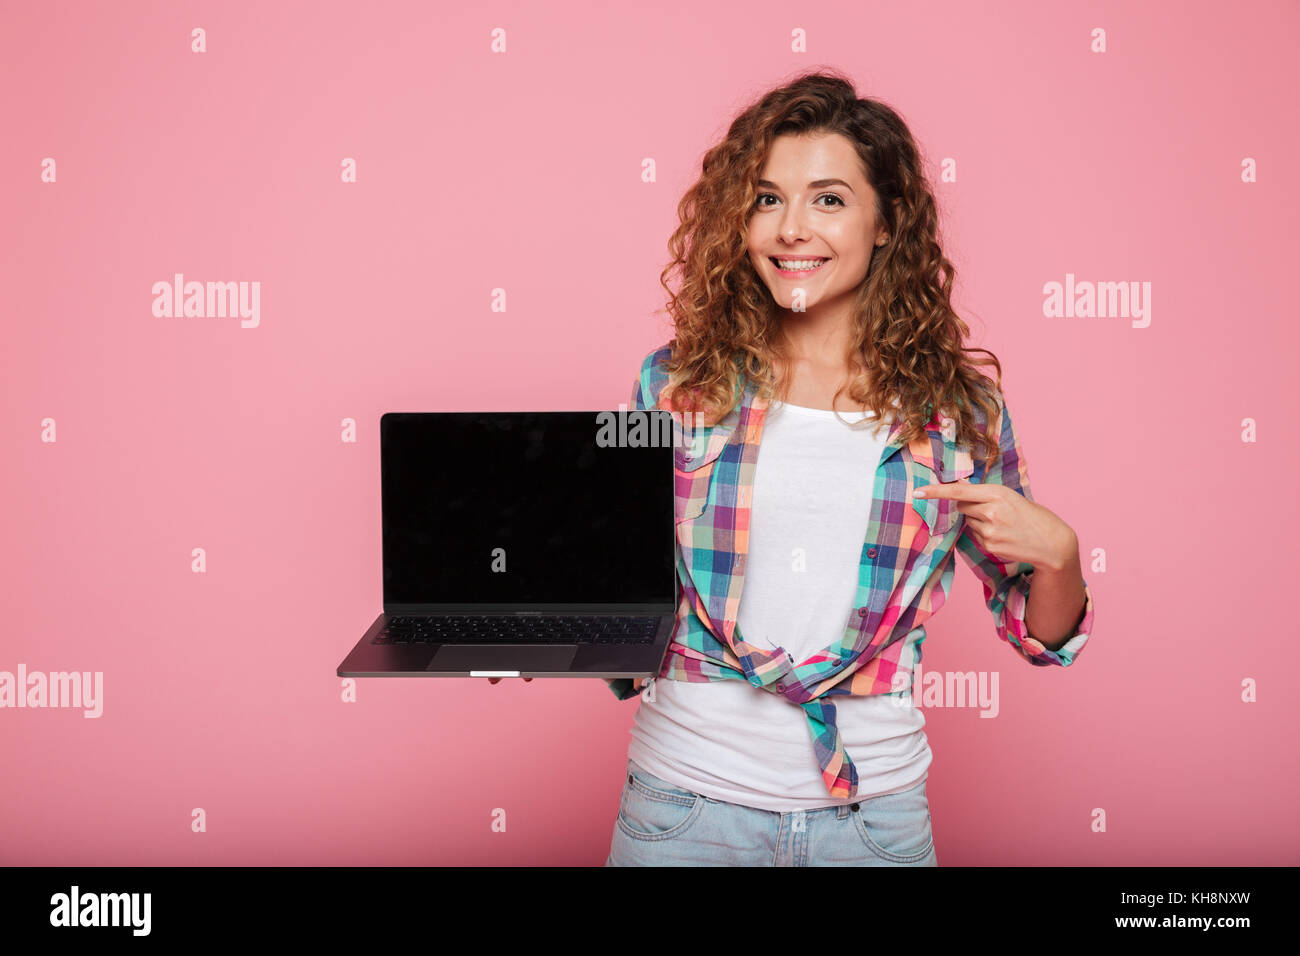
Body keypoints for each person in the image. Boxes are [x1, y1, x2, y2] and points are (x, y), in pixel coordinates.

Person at [516, 68, 1094, 866]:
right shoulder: (676, 384)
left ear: (887, 222)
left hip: (874, 820)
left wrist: (1060, 554)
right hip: (682, 809)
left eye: (828, 199)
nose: (792, 228)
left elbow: (1042, 633)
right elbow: (627, 588)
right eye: (766, 199)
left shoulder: (959, 411)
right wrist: (534, 627)